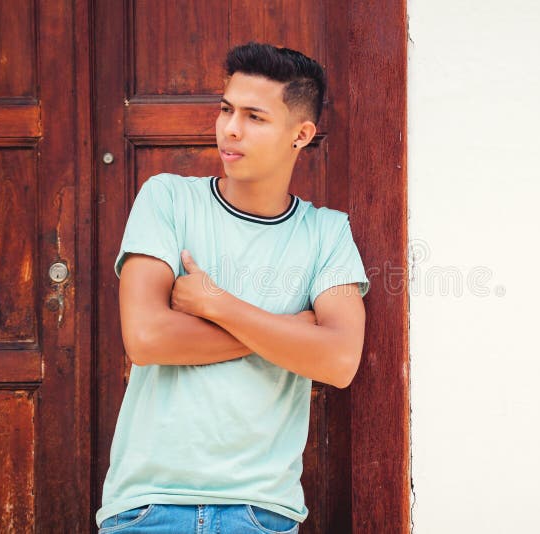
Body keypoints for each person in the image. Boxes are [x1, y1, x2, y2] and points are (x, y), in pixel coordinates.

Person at [95, 42, 370, 533]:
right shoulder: (168, 199)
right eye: (226, 109)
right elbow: (147, 338)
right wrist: (290, 331)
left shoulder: (326, 233)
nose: (230, 128)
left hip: (260, 511)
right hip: (148, 505)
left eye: (254, 117)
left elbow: (339, 361)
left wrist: (216, 305)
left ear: (301, 134)